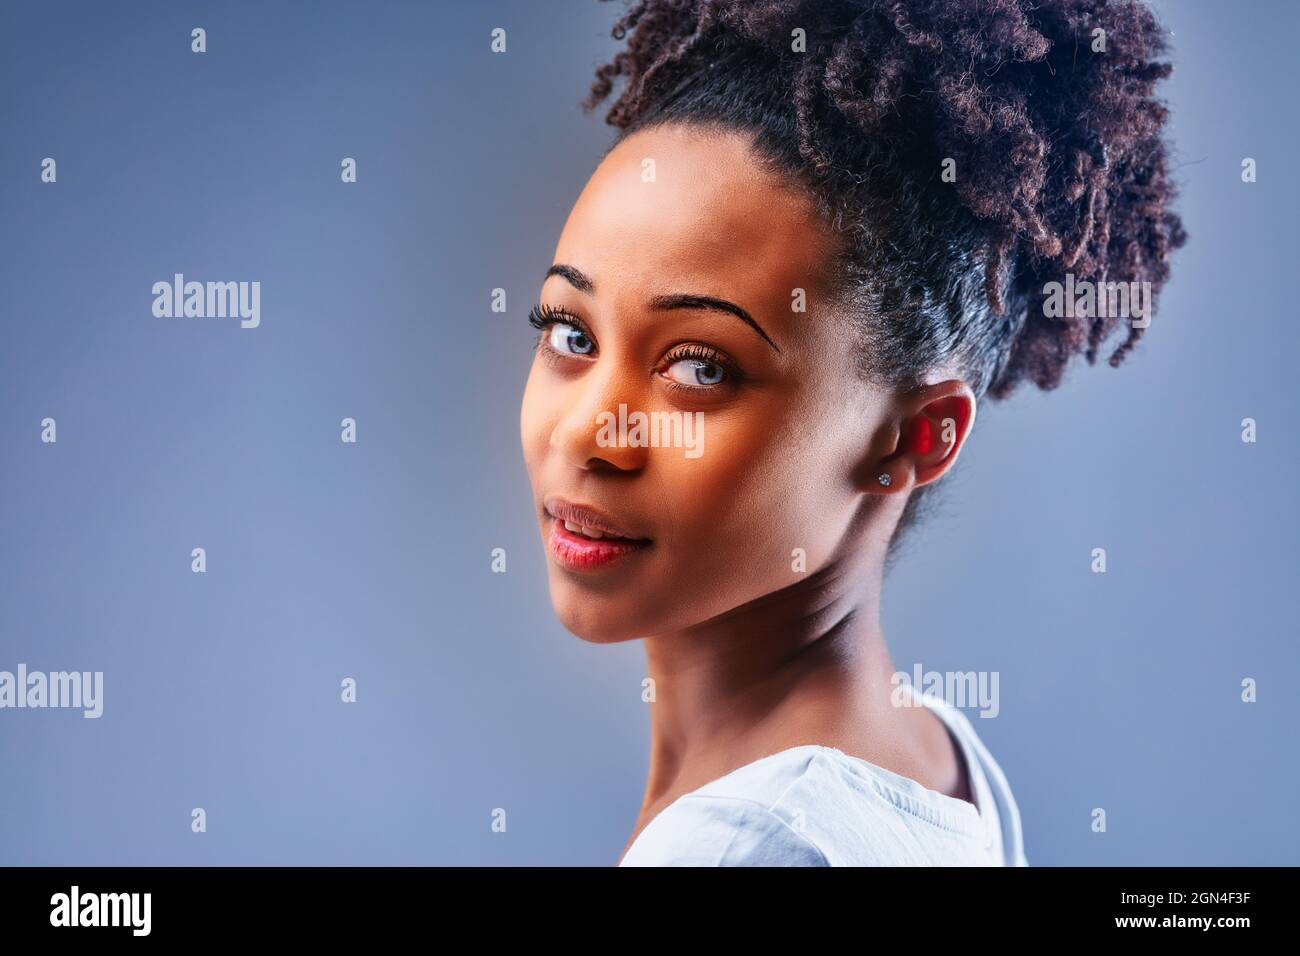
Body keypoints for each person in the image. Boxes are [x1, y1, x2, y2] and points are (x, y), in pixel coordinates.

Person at [519, 0, 1183, 865]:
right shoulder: (941, 767)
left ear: (916, 437)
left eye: (701, 369)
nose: (585, 433)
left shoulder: (750, 846)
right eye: (572, 334)